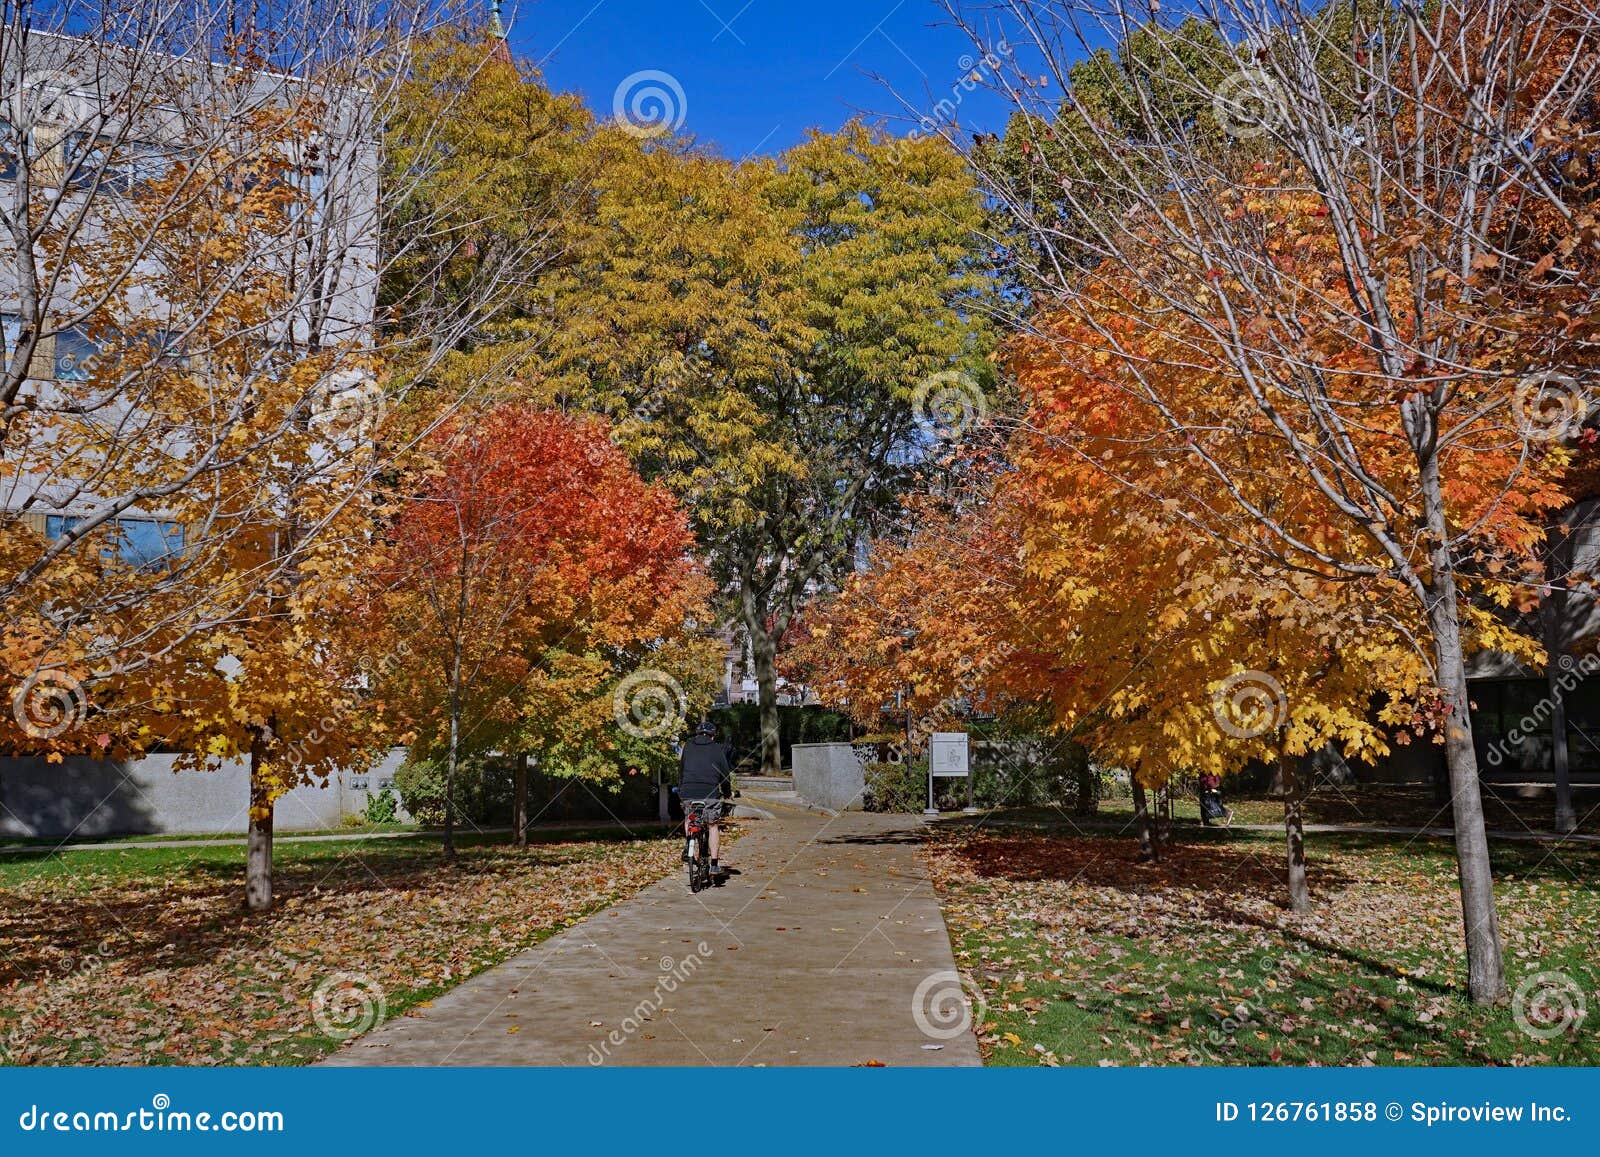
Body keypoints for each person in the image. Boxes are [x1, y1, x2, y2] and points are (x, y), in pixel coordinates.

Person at [679, 719, 734, 878]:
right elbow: (725, 774)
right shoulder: (717, 749)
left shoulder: (688, 746)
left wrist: (681, 789)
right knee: (712, 826)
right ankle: (715, 865)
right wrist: (727, 792)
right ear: (712, 736)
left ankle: (688, 842)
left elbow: (681, 770)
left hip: (688, 792)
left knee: (689, 816)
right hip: (710, 794)